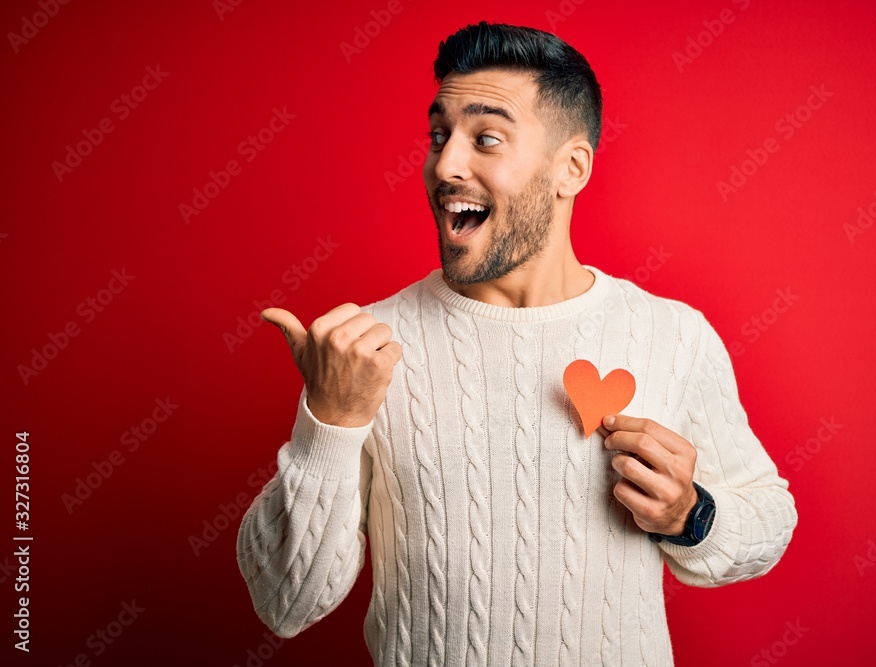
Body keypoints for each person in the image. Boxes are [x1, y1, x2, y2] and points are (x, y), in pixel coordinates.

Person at [237, 21, 797, 666]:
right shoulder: (366, 352)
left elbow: (769, 521)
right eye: (440, 136)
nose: (446, 165)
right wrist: (328, 424)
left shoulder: (672, 335)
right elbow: (285, 602)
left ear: (571, 168)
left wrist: (691, 515)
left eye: (486, 138)